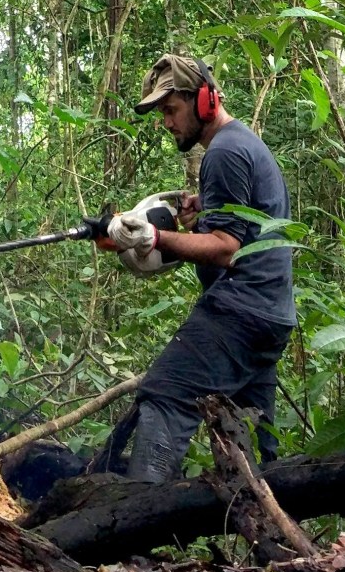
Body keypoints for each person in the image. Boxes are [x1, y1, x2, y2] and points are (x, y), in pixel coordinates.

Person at [105, 53, 297, 484]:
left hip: (240, 313)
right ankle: (279, 539)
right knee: (250, 432)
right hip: (270, 315)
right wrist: (203, 216)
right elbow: (246, 232)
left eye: (171, 110)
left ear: (205, 100)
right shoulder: (243, 144)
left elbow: (227, 250)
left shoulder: (224, 152)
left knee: (165, 394)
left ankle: (136, 528)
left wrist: (153, 239)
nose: (167, 123)